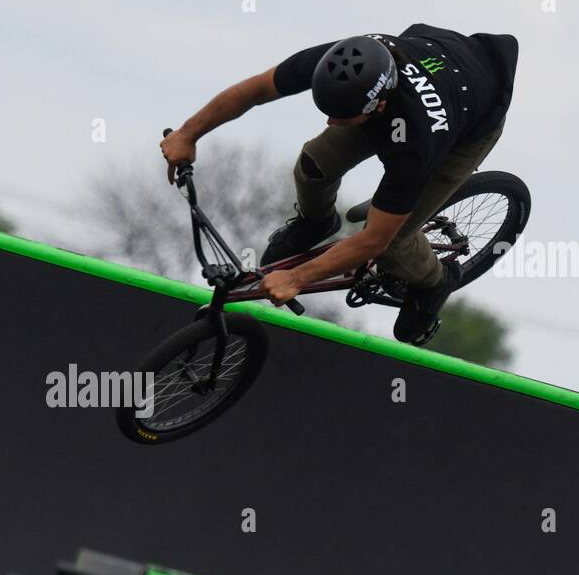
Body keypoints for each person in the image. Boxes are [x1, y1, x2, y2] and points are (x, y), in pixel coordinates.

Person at [160, 25, 518, 344]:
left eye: (340, 115)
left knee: (392, 244)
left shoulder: (416, 140)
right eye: (326, 110)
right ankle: (316, 220)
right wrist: (188, 134)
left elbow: (373, 240)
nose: (331, 122)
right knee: (313, 164)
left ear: (377, 105)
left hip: (468, 126)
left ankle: (435, 280)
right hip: (438, 64)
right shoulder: (339, 59)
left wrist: (296, 278)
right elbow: (253, 91)